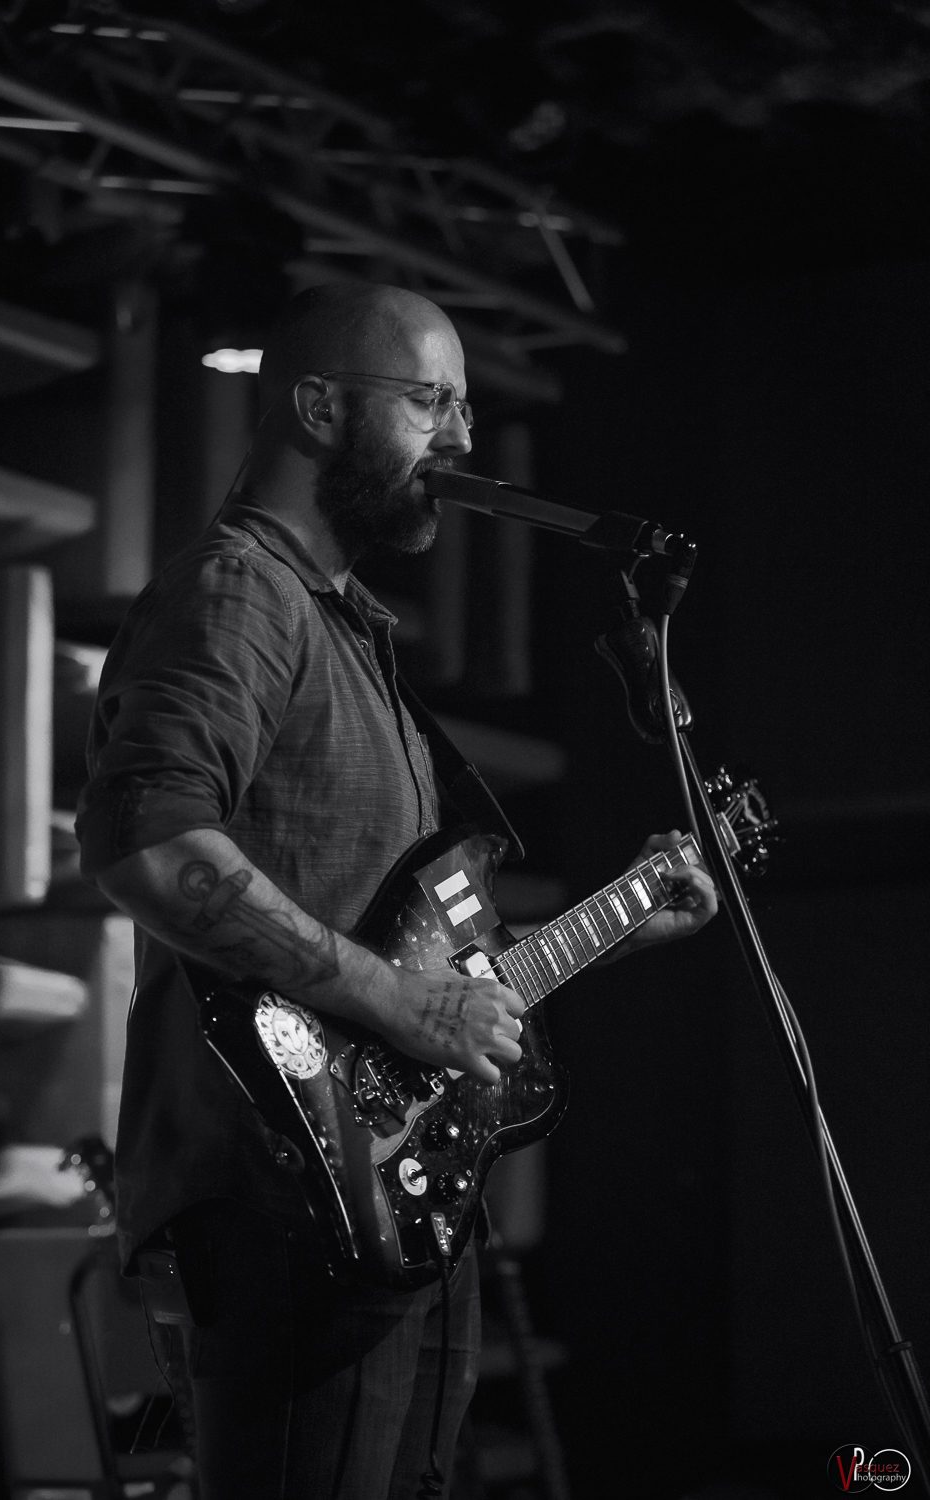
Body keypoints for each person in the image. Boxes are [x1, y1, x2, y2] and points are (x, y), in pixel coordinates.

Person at [76, 282, 718, 1500]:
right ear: (317, 406)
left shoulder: (345, 627)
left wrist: (611, 931)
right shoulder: (239, 595)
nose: (464, 442)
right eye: (430, 403)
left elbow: (406, 966)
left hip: (385, 1197)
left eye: (466, 408)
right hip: (280, 1197)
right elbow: (147, 847)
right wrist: (409, 1010)